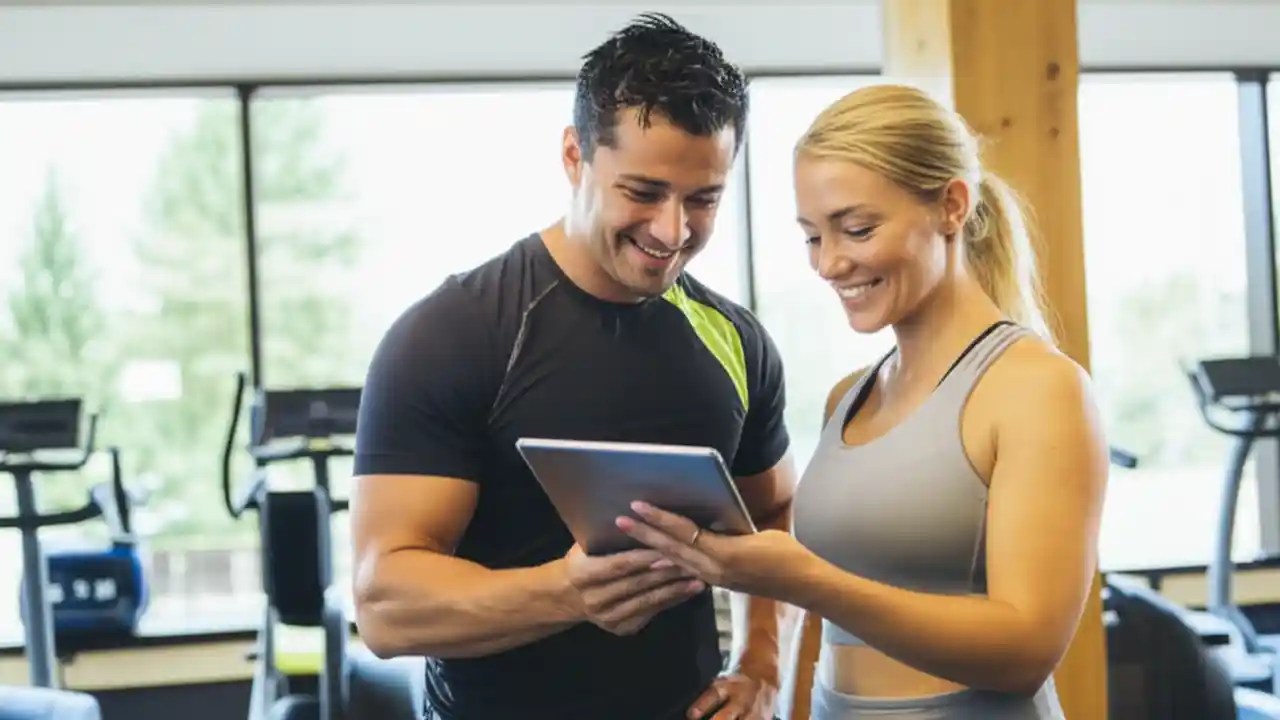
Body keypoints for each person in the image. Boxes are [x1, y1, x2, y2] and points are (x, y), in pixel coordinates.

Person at [348, 13, 797, 720]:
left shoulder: (735, 341)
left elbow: (771, 513)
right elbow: (384, 606)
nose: (673, 232)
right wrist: (565, 593)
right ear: (573, 157)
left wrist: (763, 663)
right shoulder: (455, 334)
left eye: (703, 199)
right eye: (643, 192)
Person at [616, 83, 1110, 720]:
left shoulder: (1037, 388)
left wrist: (799, 577)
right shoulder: (848, 397)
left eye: (856, 229)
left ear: (952, 206)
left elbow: (1025, 649)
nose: (829, 264)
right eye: (813, 237)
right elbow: (828, 624)